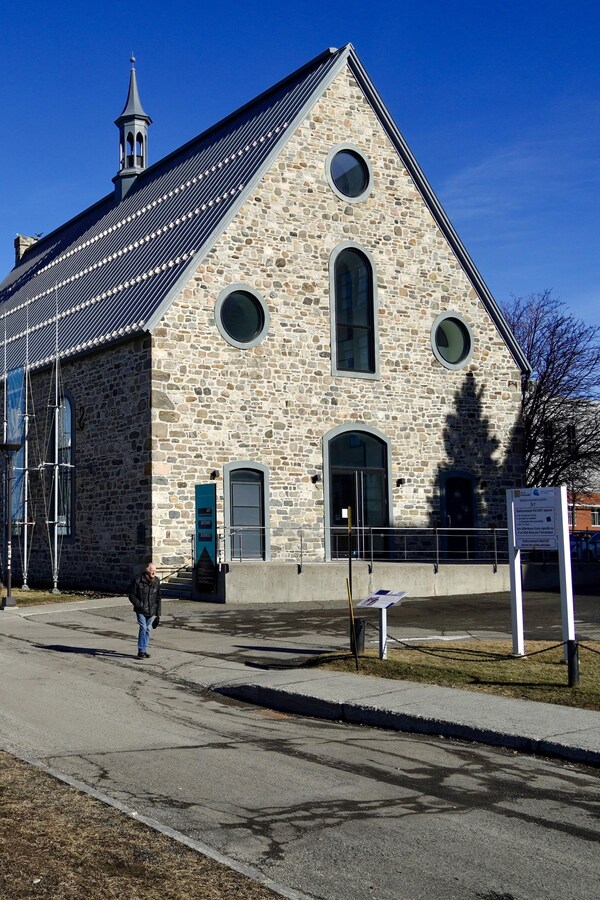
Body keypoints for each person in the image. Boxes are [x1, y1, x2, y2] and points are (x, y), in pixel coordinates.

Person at [128, 562, 161, 659]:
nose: (154, 572)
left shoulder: (157, 581)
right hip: (141, 610)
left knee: (148, 629)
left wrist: (158, 613)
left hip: (151, 610)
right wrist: (140, 605)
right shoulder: (138, 580)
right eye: (152, 570)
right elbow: (131, 595)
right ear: (147, 570)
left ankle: (144, 649)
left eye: (155, 570)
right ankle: (141, 650)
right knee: (143, 627)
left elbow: (158, 597)